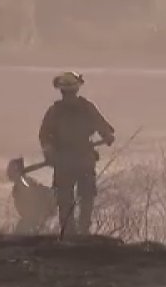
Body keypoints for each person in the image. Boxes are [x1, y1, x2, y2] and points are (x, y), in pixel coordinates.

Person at [38, 71, 115, 235]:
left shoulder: (57, 111)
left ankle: (74, 232)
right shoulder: (83, 108)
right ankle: (76, 232)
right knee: (79, 197)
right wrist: (107, 135)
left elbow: (44, 135)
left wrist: (49, 152)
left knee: (72, 198)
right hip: (78, 159)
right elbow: (103, 127)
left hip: (70, 160)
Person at [6, 159, 55, 234]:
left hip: (34, 221)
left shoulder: (24, 184)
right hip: (33, 221)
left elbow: (36, 197)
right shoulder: (21, 184)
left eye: (10, 170)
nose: (8, 172)